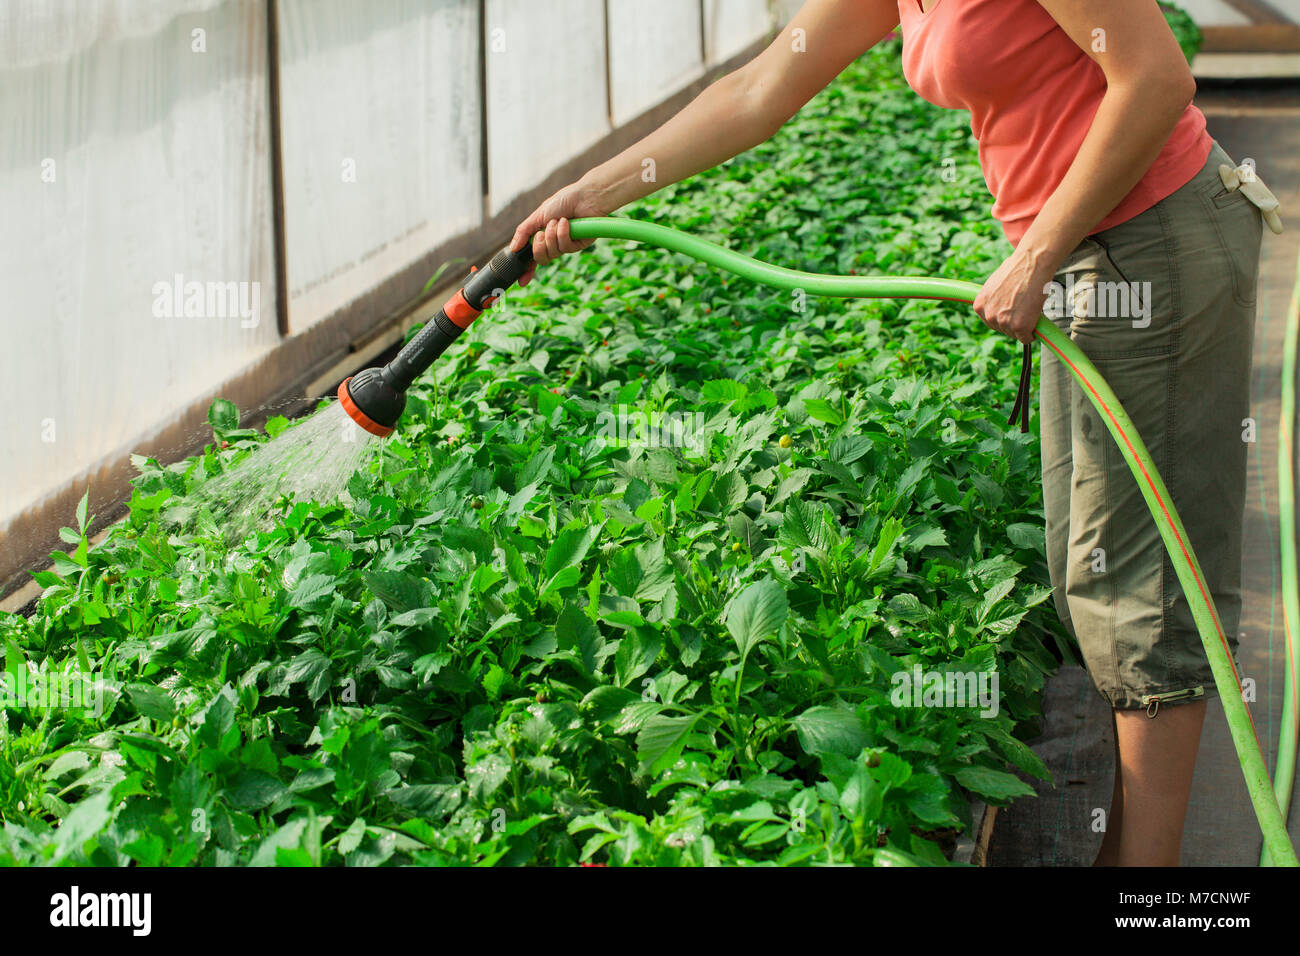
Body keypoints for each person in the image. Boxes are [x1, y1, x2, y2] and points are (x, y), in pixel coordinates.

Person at [511, 0, 1271, 867]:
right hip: (1087, 259)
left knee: (1142, 594)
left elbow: (1156, 77)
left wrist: (1036, 252)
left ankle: (1149, 886)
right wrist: (594, 192)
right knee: (1095, 578)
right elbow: (764, 87)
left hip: (1151, 245)